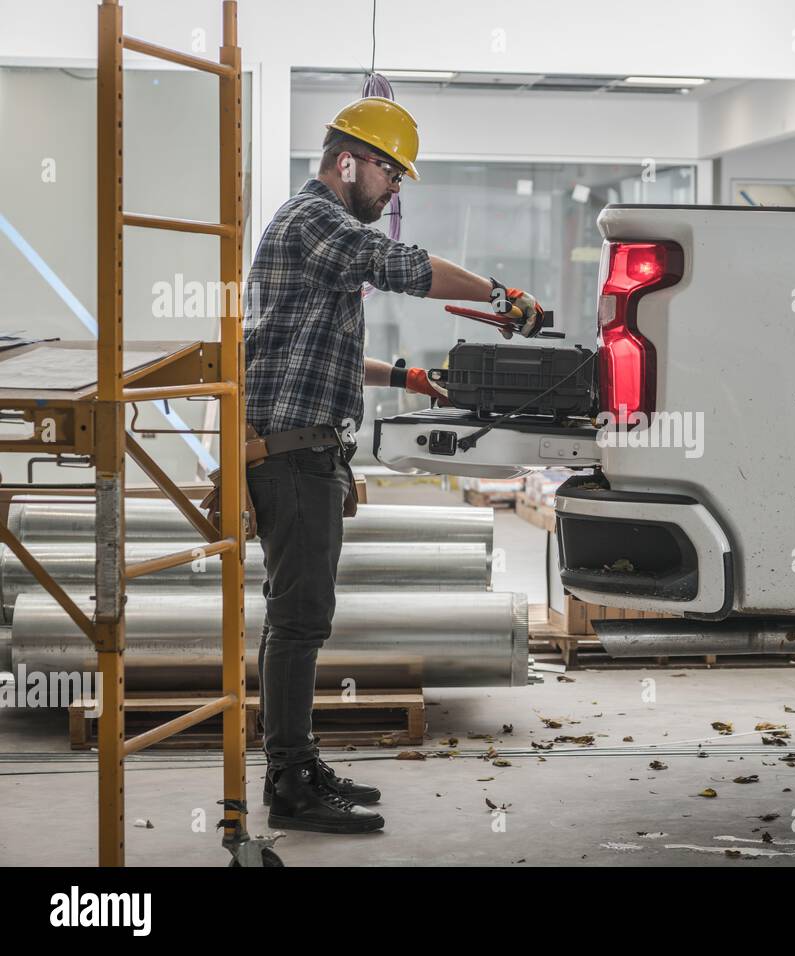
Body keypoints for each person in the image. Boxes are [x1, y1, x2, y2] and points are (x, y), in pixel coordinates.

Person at [243, 96, 543, 834]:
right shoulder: (317, 219)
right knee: (300, 621)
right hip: (292, 455)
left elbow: (312, 353)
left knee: (301, 618)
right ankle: (289, 782)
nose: (394, 190)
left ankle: (298, 762)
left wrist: (403, 378)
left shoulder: (311, 229)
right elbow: (402, 265)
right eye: (389, 172)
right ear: (348, 161)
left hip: (304, 448)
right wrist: (499, 296)